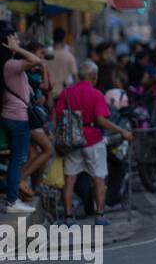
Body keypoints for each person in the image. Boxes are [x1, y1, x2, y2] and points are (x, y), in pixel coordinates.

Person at [54, 61, 132, 226]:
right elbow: (101, 120)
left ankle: (69, 217)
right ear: (94, 77)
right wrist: (122, 131)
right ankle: (100, 215)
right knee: (98, 179)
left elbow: (58, 117)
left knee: (70, 179)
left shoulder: (66, 93)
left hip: (72, 141)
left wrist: (57, 136)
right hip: (93, 140)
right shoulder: (96, 94)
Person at [0, 30, 44, 214]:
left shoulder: (10, 64)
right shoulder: (10, 64)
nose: (18, 41)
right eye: (15, 38)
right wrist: (17, 48)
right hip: (17, 117)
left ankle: (11, 196)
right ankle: (11, 200)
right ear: (7, 42)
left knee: (16, 159)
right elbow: (37, 61)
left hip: (12, 115)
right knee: (18, 160)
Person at [18, 38, 54, 202]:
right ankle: (21, 179)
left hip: (33, 118)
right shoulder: (28, 72)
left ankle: (30, 186)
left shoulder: (31, 71)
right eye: (40, 54)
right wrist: (43, 67)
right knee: (48, 149)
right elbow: (45, 86)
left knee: (35, 155)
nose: (42, 57)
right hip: (30, 119)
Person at [43, 27, 77, 101]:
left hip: (49, 93)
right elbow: (75, 76)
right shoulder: (69, 56)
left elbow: (43, 72)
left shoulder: (47, 56)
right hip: (64, 93)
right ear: (64, 39)